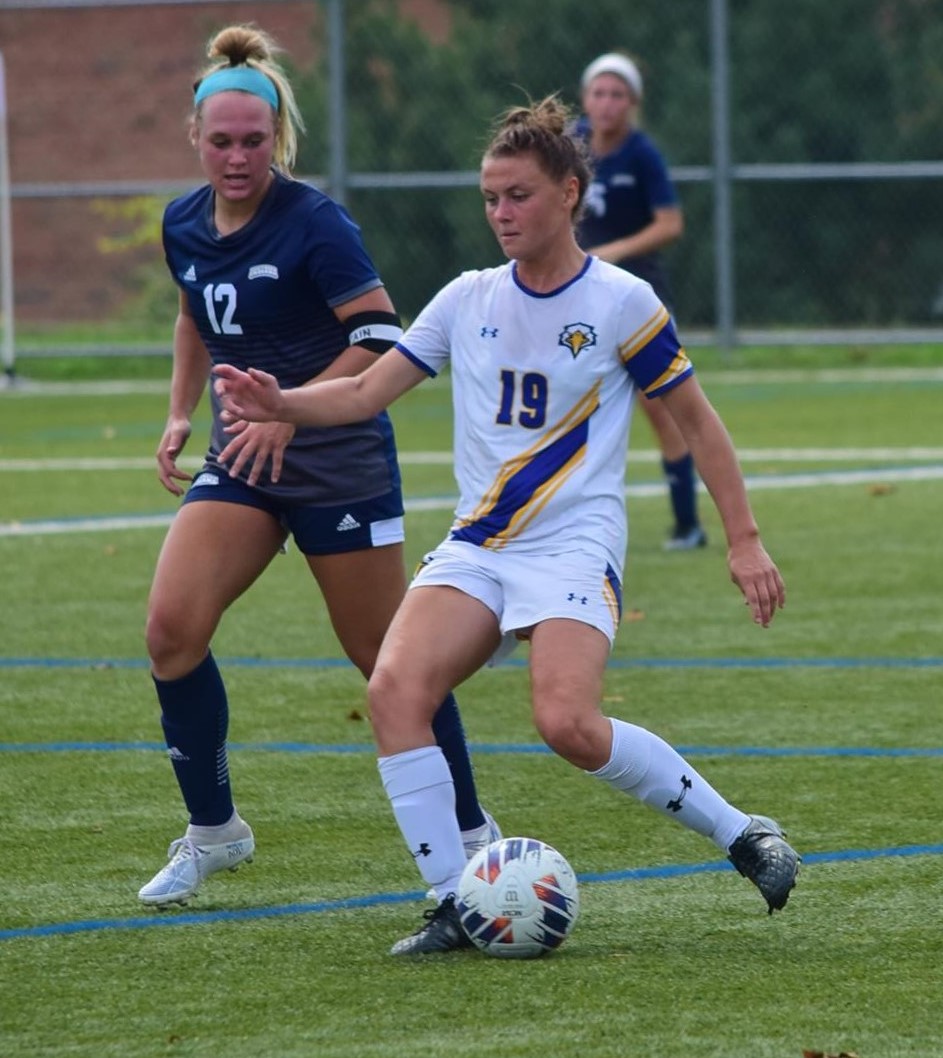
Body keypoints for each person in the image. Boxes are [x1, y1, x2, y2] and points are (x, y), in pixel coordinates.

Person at [213, 94, 801, 955]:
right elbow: (367, 390)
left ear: (570, 193)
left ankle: (744, 833)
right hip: (481, 545)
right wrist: (285, 402)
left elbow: (699, 423)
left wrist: (743, 538)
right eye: (490, 198)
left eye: (518, 195)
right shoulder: (467, 298)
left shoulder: (621, 302)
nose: (500, 213)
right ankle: (453, 898)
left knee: (566, 722)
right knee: (394, 693)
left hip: (572, 545)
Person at [138, 23, 497, 908]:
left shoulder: (317, 221)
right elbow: (195, 313)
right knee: (170, 632)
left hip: (336, 458)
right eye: (220, 142)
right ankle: (214, 832)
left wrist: (293, 412)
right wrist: (183, 410)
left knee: (386, 661)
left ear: (277, 138)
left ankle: (471, 834)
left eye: (253, 142)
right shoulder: (182, 222)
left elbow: (377, 338)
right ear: (195, 138)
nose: (235, 157)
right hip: (246, 456)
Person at [575, 52, 705, 551]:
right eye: (599, 93)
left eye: (617, 95)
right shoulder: (570, 144)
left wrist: (609, 254)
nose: (606, 104)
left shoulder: (641, 155)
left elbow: (670, 223)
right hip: (579, 296)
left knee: (662, 406)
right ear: (585, 98)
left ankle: (687, 524)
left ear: (632, 104)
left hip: (635, 296)